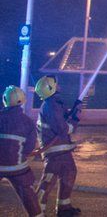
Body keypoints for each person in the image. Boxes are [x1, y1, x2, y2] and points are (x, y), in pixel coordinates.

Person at [35, 75, 81, 216]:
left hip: (61, 149)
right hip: (55, 150)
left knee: (69, 173)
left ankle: (64, 208)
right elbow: (63, 129)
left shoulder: (54, 104)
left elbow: (62, 120)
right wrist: (74, 121)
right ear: (51, 88)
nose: (59, 85)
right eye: (56, 84)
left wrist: (73, 113)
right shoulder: (50, 106)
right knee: (49, 180)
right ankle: (36, 210)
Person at [0, 86, 42, 217]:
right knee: (29, 198)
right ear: (22, 101)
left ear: (5, 99)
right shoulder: (28, 122)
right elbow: (29, 148)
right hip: (18, 168)